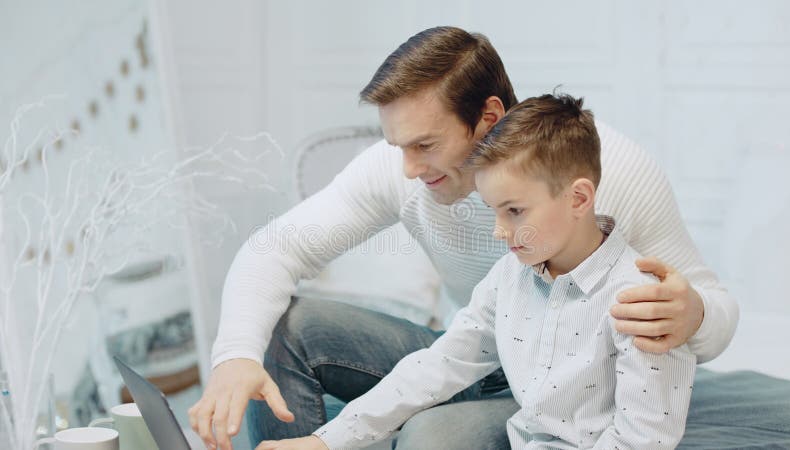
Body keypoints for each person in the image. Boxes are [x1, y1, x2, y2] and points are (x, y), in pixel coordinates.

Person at [188, 27, 738, 450]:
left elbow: (711, 312)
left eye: (424, 144)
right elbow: (275, 247)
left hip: (571, 384)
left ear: (487, 118)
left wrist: (693, 317)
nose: (405, 167)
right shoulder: (437, 204)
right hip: (483, 350)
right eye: (396, 145)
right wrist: (235, 356)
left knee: (432, 435)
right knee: (284, 325)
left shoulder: (608, 172)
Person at [259, 92, 698, 450]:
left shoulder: (641, 304)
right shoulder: (511, 277)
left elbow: (644, 439)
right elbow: (440, 365)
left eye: (515, 211)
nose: (499, 231)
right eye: (494, 211)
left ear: (579, 199)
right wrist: (323, 441)